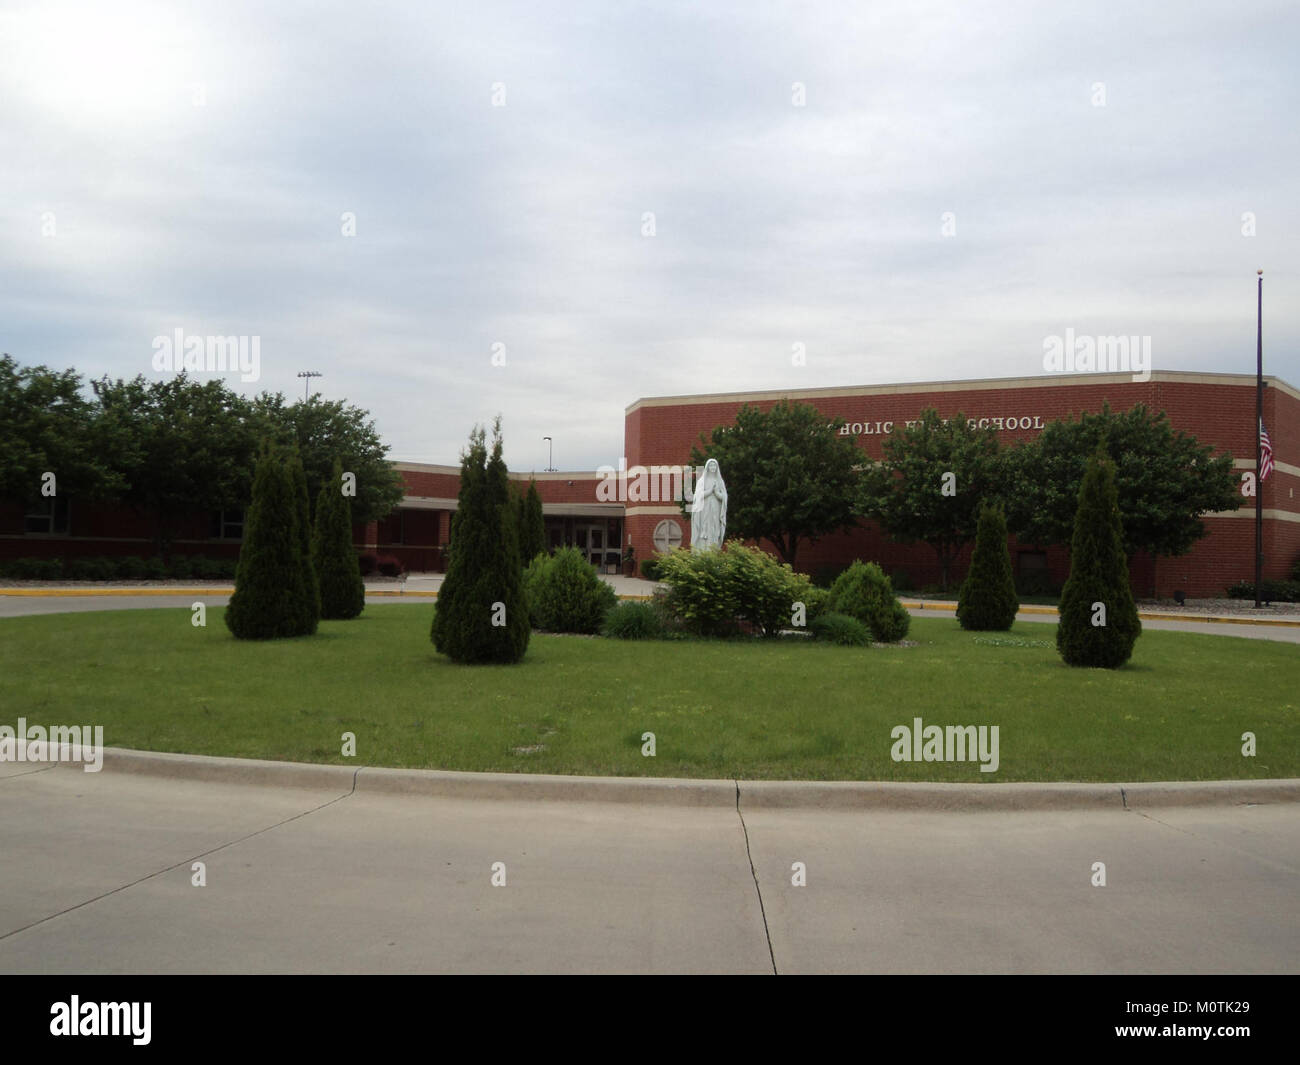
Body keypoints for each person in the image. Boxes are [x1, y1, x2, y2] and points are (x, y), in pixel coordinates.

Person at [690, 458, 727, 551]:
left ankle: (713, 550)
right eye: (711, 465)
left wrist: (717, 493)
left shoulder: (720, 481)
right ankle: (702, 551)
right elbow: (697, 496)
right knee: (704, 529)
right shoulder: (702, 481)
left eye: (714, 465)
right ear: (707, 467)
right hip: (704, 508)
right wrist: (710, 491)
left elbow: (724, 497)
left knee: (714, 528)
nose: (713, 467)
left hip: (716, 508)